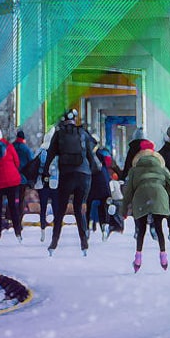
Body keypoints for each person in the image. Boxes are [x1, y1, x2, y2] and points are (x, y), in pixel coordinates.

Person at [122, 140, 170, 272]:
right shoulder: (162, 169)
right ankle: (163, 257)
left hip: (141, 198)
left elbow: (128, 193)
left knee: (141, 230)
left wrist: (123, 211)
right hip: (159, 197)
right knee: (159, 228)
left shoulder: (134, 170)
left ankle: (138, 259)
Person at [43, 109, 99, 256]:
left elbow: (50, 155)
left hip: (67, 175)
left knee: (60, 210)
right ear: (75, 119)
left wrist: (45, 173)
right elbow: (90, 155)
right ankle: (84, 243)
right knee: (78, 208)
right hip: (83, 175)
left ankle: (54, 243)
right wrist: (92, 173)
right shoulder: (82, 133)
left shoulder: (59, 133)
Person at [32, 141, 58, 242]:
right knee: (56, 208)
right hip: (54, 182)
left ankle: (42, 230)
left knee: (43, 208)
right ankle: (56, 231)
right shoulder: (56, 151)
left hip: (42, 183)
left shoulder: (40, 151)